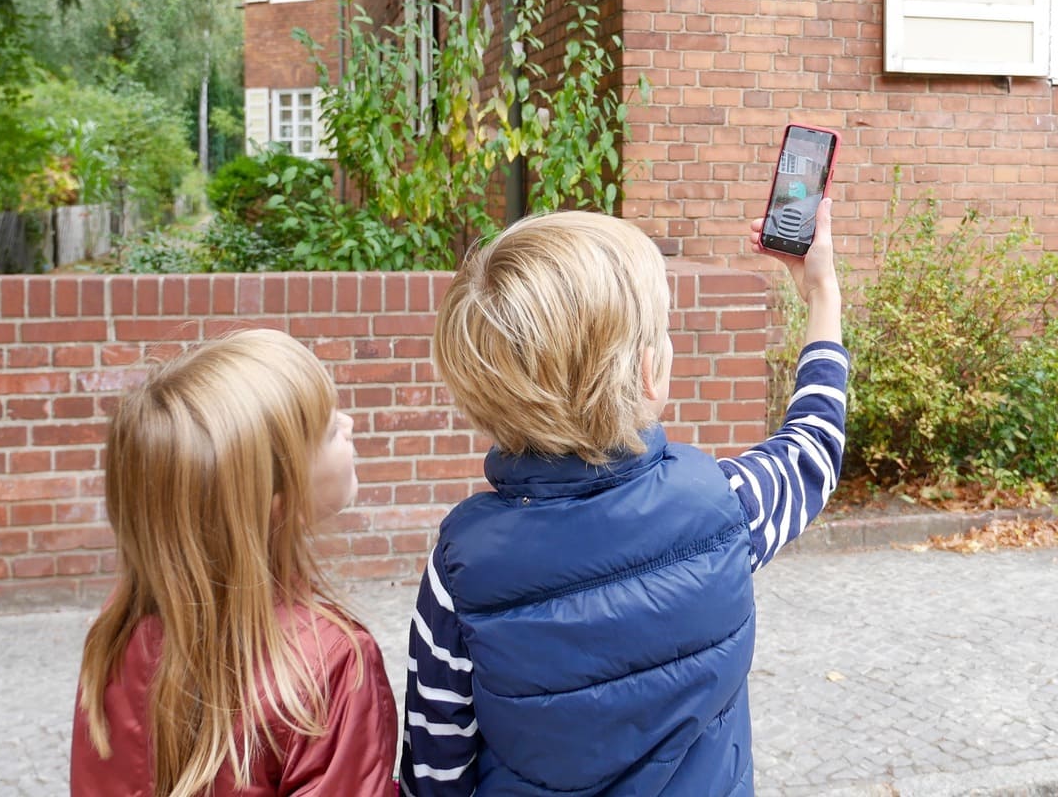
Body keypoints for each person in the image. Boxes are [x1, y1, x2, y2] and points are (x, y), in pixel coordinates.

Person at [401, 201, 848, 795]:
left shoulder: (462, 567)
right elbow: (812, 449)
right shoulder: (724, 508)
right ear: (648, 374)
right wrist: (822, 293)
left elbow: (434, 766)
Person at [71, 329, 397, 797]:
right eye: (328, 432)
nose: (348, 424)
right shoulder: (330, 664)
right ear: (276, 501)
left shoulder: (117, 631)